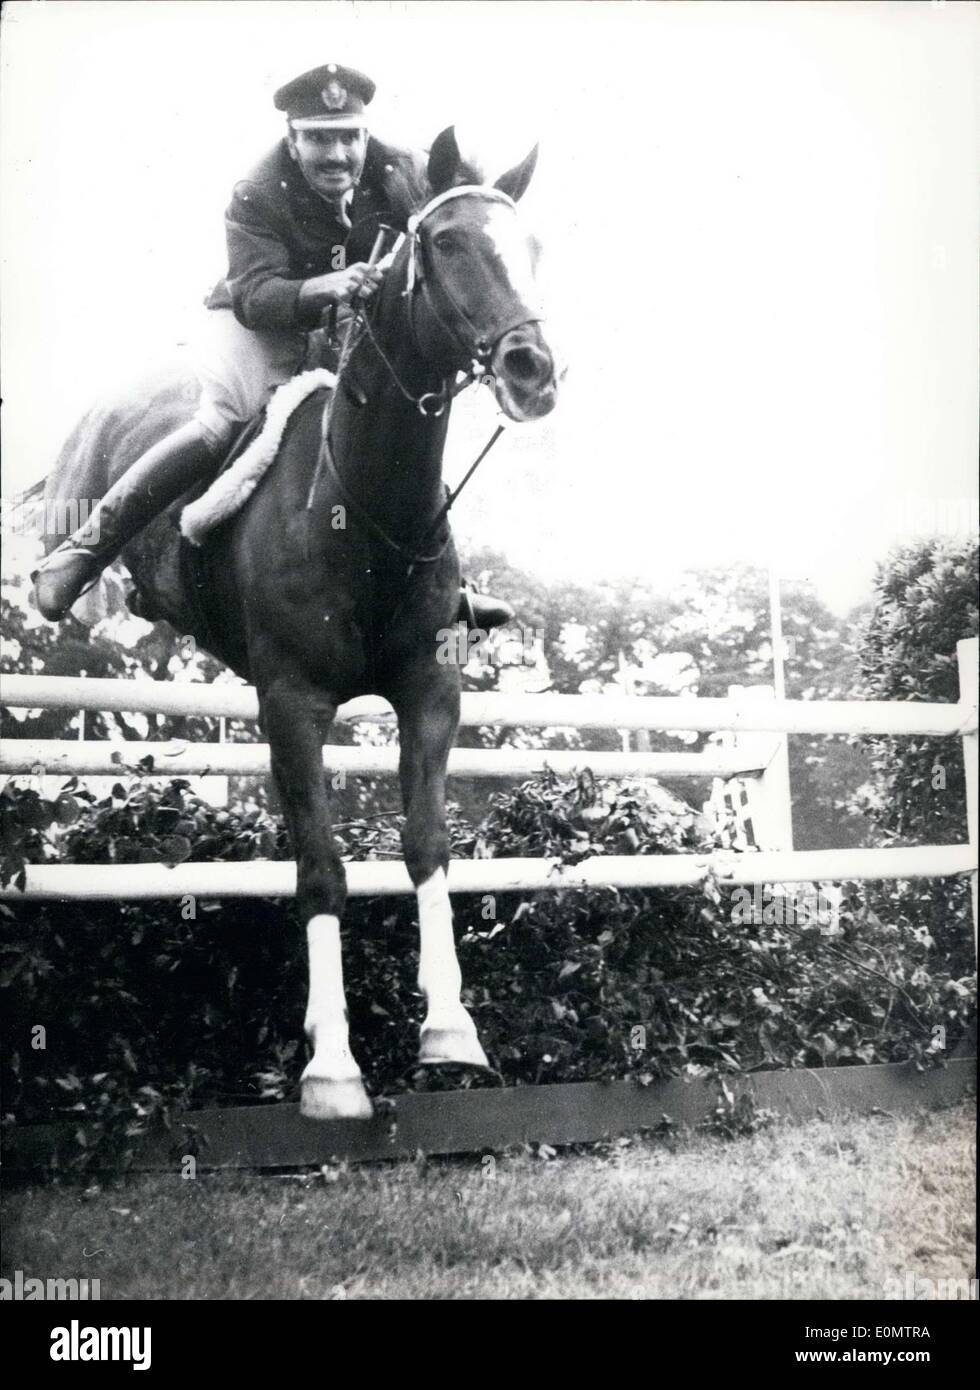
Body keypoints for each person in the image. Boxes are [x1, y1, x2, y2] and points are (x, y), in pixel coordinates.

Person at [33, 62, 513, 632]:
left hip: (345, 326)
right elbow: (257, 296)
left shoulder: (400, 168)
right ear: (292, 138)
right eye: (318, 138)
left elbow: (457, 212)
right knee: (221, 421)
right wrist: (324, 286)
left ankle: (442, 583)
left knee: (399, 421)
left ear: (365, 134)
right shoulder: (255, 193)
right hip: (257, 322)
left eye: (347, 137)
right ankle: (84, 552)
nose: (336, 155)